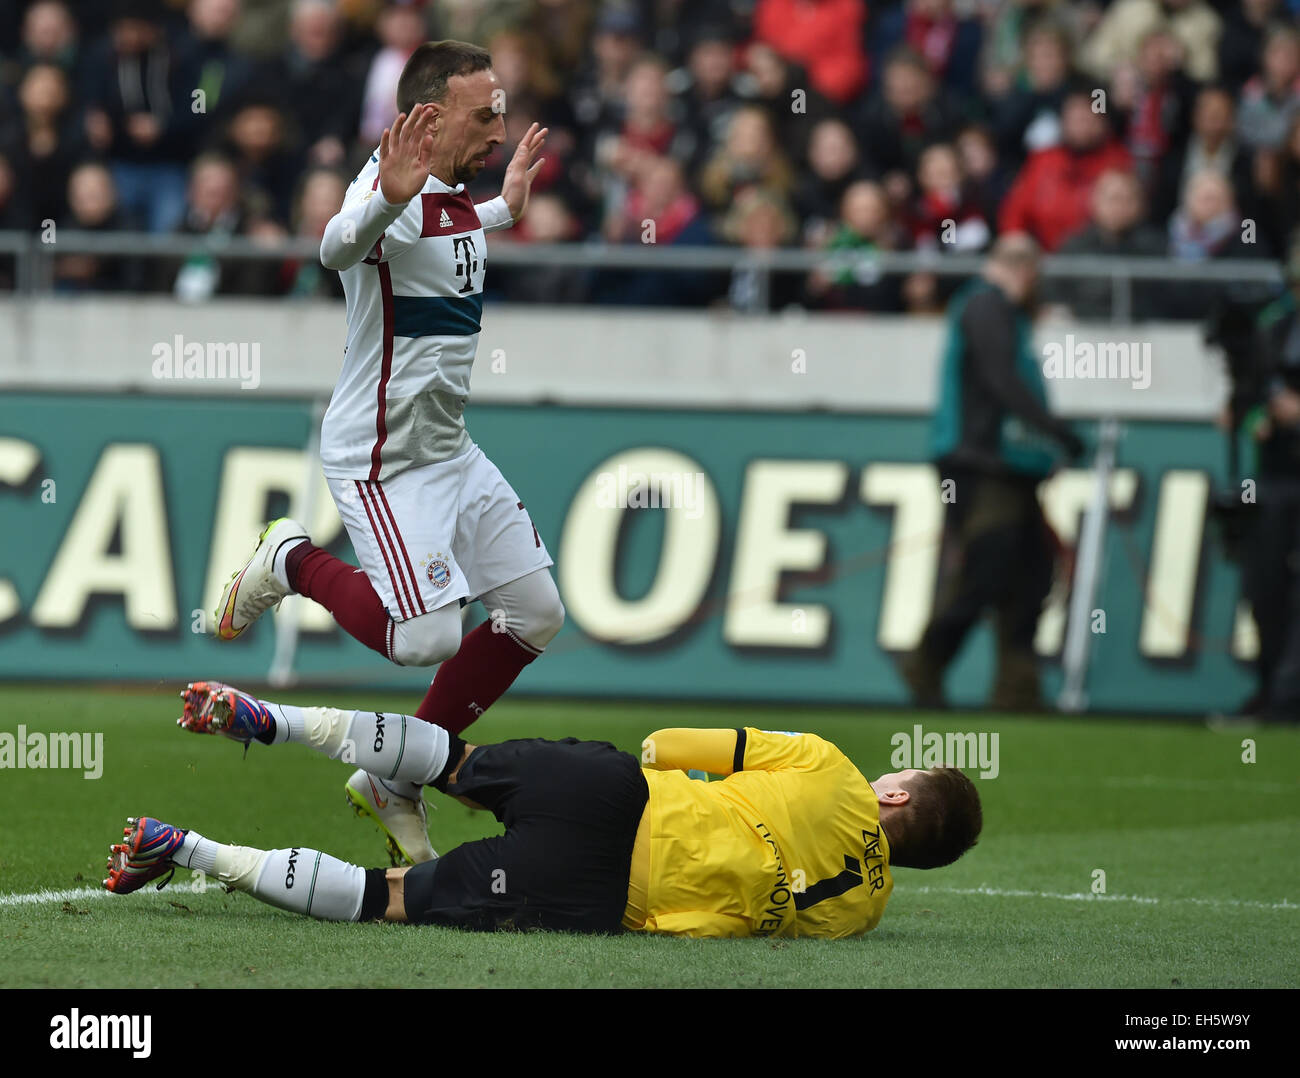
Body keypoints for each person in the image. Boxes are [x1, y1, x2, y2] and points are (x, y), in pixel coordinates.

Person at [211, 41, 562, 868]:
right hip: (383, 458)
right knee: (426, 639)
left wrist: (505, 207)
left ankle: (392, 778)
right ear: (431, 117)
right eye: (487, 114)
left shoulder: (446, 197)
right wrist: (380, 204)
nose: (500, 129)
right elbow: (336, 246)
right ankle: (291, 558)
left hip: (449, 452)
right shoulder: (385, 191)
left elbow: (447, 230)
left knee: (536, 613)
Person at [103, 681, 982, 937]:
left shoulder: (829, 766)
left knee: (455, 756)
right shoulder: (862, 914)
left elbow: (668, 741)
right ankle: (181, 849)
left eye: (901, 770)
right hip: (601, 893)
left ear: (897, 793)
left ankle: (275, 719)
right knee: (390, 899)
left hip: (622, 796)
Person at [900, 234, 1085, 711]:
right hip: (978, 464)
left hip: (1009, 467)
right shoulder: (986, 305)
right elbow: (1003, 380)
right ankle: (927, 662)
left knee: (1031, 572)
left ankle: (1016, 686)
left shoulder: (999, 313)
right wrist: (1057, 431)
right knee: (988, 567)